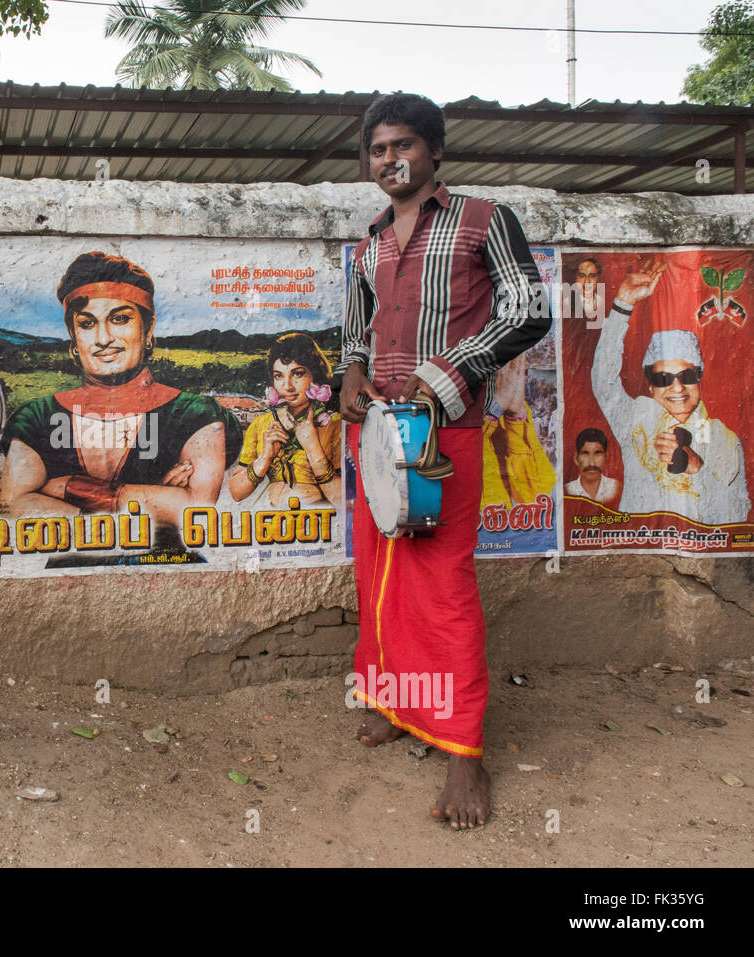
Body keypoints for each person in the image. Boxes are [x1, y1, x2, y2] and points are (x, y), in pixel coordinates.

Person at [339, 93, 551, 830]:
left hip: (441, 432)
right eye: (377, 149)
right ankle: (401, 703)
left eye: (403, 145)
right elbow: (356, 327)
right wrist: (353, 373)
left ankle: (464, 750)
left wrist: (446, 372)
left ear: (434, 151)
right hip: (378, 432)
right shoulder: (368, 242)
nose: (389, 159)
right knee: (379, 569)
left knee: (442, 581)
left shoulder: (485, 221)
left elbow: (528, 309)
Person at [0, 251, 240, 538]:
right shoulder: (37, 417)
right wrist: (152, 499)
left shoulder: (194, 414)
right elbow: (11, 506)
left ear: (148, 330)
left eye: (120, 319)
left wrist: (65, 488)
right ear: (74, 339)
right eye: (87, 324)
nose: (103, 339)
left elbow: (197, 510)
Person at [591, 262, 750, 524]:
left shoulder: (725, 440)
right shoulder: (635, 419)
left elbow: (735, 517)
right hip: (639, 555)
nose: (677, 388)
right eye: (664, 378)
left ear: (699, 379)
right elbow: (603, 380)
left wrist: (697, 469)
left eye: (687, 376)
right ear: (651, 386)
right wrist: (623, 304)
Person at [229, 332, 341, 507]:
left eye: (297, 374)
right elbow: (236, 492)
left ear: (315, 375)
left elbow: (345, 501)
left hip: (320, 523)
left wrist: (313, 448)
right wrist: (265, 458)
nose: (287, 386)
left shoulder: (332, 423)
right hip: (271, 525)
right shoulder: (261, 425)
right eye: (278, 376)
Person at [480, 352, 555, 509]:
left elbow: (536, 494)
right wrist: (493, 413)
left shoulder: (517, 411)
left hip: (501, 521)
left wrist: (515, 417)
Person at [564, 427, 621, 504]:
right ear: (576, 458)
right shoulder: (566, 491)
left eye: (597, 453)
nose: (592, 463)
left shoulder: (616, 488)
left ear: (606, 457)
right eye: (585, 453)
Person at [573, 257, 604, 321]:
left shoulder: (603, 303)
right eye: (582, 276)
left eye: (592, 276)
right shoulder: (567, 304)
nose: (587, 282)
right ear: (575, 278)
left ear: (598, 278)